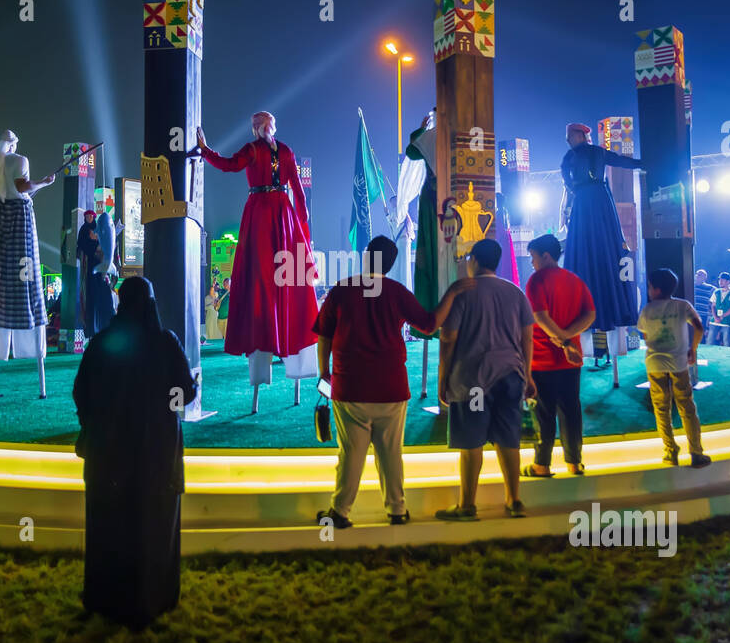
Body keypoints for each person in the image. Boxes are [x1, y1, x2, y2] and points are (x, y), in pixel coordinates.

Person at [313, 236, 470, 528]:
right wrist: (452, 292)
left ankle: (340, 512)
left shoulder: (342, 290)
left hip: (350, 386)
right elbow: (429, 323)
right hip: (391, 387)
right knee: (391, 454)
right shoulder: (397, 292)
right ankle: (397, 510)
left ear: (366, 257)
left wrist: (325, 371)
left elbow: (324, 334)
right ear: (392, 264)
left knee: (350, 454)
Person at [74, 276, 197, 628]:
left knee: (108, 526)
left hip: (106, 455)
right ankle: (152, 598)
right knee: (153, 526)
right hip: (155, 455)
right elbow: (184, 395)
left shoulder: (101, 343)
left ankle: (106, 599)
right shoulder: (164, 343)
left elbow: (81, 392)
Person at [193, 112, 318, 364]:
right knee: (283, 278)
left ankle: (268, 341)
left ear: (256, 128)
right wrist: (302, 226)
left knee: (261, 277)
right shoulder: (285, 151)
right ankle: (282, 341)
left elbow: (229, 165)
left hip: (261, 213)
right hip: (282, 215)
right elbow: (299, 191)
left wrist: (205, 151)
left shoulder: (253, 149)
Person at [436, 239, 537, 520]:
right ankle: (514, 500)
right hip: (510, 377)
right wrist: (527, 374)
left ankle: (467, 505)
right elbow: (526, 337)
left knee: (471, 443)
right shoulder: (515, 292)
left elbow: (448, 339)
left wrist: (443, 379)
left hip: (474, 383)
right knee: (509, 440)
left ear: (475, 261)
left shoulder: (464, 294)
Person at [0, 129, 53, 398]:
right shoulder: (19, 160)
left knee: (0, 278)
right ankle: (39, 376)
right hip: (21, 220)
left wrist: (4, 202)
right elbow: (23, 186)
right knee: (28, 277)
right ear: (13, 144)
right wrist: (44, 183)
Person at [522, 233, 594, 480]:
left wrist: (562, 340)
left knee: (543, 413)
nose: (532, 262)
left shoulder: (536, 281)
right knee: (571, 410)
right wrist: (568, 338)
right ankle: (575, 463)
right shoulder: (575, 280)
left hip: (542, 359)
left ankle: (541, 465)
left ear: (546, 256)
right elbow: (590, 315)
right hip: (571, 359)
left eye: (533, 257)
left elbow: (540, 317)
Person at [558, 122, 640, 334]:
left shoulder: (594, 153)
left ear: (580, 136)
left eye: (570, 136)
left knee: (597, 243)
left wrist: (642, 163)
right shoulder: (570, 158)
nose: (567, 140)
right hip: (591, 201)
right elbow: (566, 181)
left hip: (591, 200)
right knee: (594, 242)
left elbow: (622, 161)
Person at [639, 268, 711, 468]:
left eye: (650, 287)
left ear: (656, 289)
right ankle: (696, 452)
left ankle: (670, 451)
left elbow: (645, 335)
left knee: (661, 409)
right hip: (678, 363)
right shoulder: (682, 305)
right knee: (687, 407)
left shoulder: (647, 310)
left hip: (654, 364)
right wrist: (692, 349)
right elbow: (698, 326)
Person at [708, 272, 730, 347]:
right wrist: (715, 317)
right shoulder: (716, 291)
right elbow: (713, 306)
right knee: (710, 340)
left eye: (722, 280)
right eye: (719, 280)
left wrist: (722, 316)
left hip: (727, 320)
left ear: (728, 282)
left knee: (726, 341)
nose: (720, 282)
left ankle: (726, 357)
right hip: (715, 320)